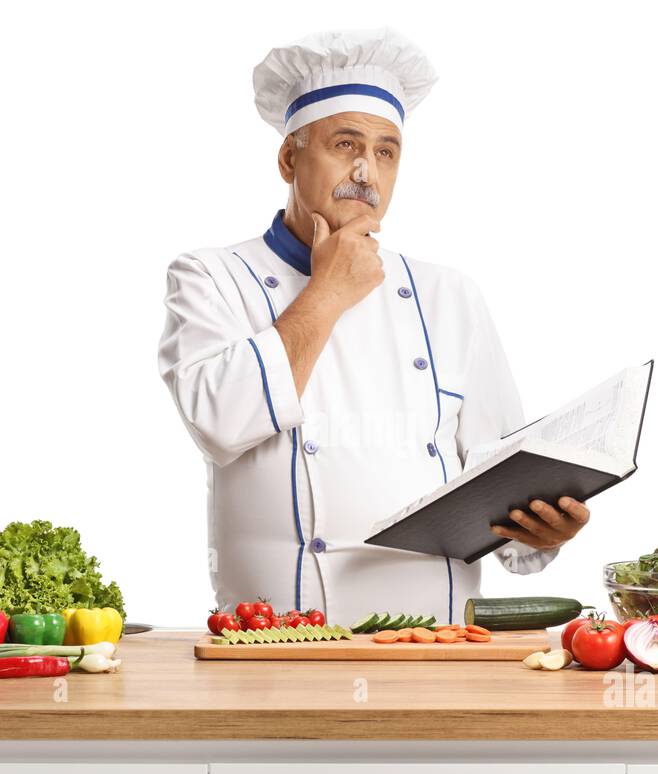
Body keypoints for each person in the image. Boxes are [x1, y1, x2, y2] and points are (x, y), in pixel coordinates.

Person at [159, 27, 590, 626]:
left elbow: (499, 482)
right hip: (276, 644)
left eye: (386, 152)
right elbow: (221, 422)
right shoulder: (211, 276)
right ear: (289, 157)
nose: (366, 172)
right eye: (344, 144)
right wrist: (328, 290)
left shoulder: (450, 294)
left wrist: (542, 529)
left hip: (436, 646)